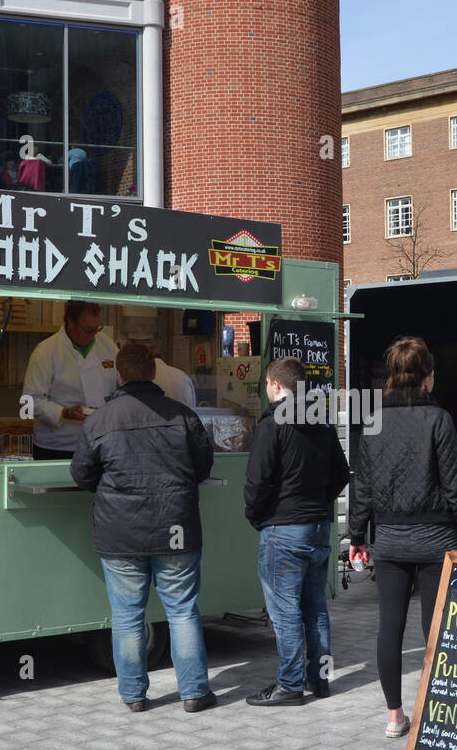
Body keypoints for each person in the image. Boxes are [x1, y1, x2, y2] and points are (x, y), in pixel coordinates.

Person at [69, 344, 218, 713]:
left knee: (127, 616)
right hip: (176, 528)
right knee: (182, 610)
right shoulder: (183, 416)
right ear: (153, 372)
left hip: (120, 534)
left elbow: (82, 474)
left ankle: (134, 695)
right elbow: (202, 468)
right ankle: (195, 692)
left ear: (119, 375)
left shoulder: (99, 421)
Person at [349, 336, 457, 738]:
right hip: (436, 539)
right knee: (435, 628)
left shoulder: (373, 422)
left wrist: (356, 535)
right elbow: (455, 485)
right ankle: (437, 710)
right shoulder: (439, 420)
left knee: (390, 627)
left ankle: (394, 716)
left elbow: (362, 486)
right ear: (427, 379)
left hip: (388, 539)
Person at [243, 357, 351, 706]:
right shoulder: (323, 423)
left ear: (275, 385)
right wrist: (319, 503)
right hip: (319, 528)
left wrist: (257, 516)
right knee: (315, 607)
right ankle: (319, 680)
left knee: (285, 610)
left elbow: (257, 481)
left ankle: (289, 684)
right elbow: (341, 474)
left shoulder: (272, 425)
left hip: (284, 530)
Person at [22, 300, 118, 460]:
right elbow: (28, 403)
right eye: (88, 329)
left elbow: (121, 383)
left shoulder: (107, 345)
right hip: (57, 447)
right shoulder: (46, 352)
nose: (94, 334)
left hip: (99, 443)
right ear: (70, 322)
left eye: (97, 328)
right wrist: (64, 413)